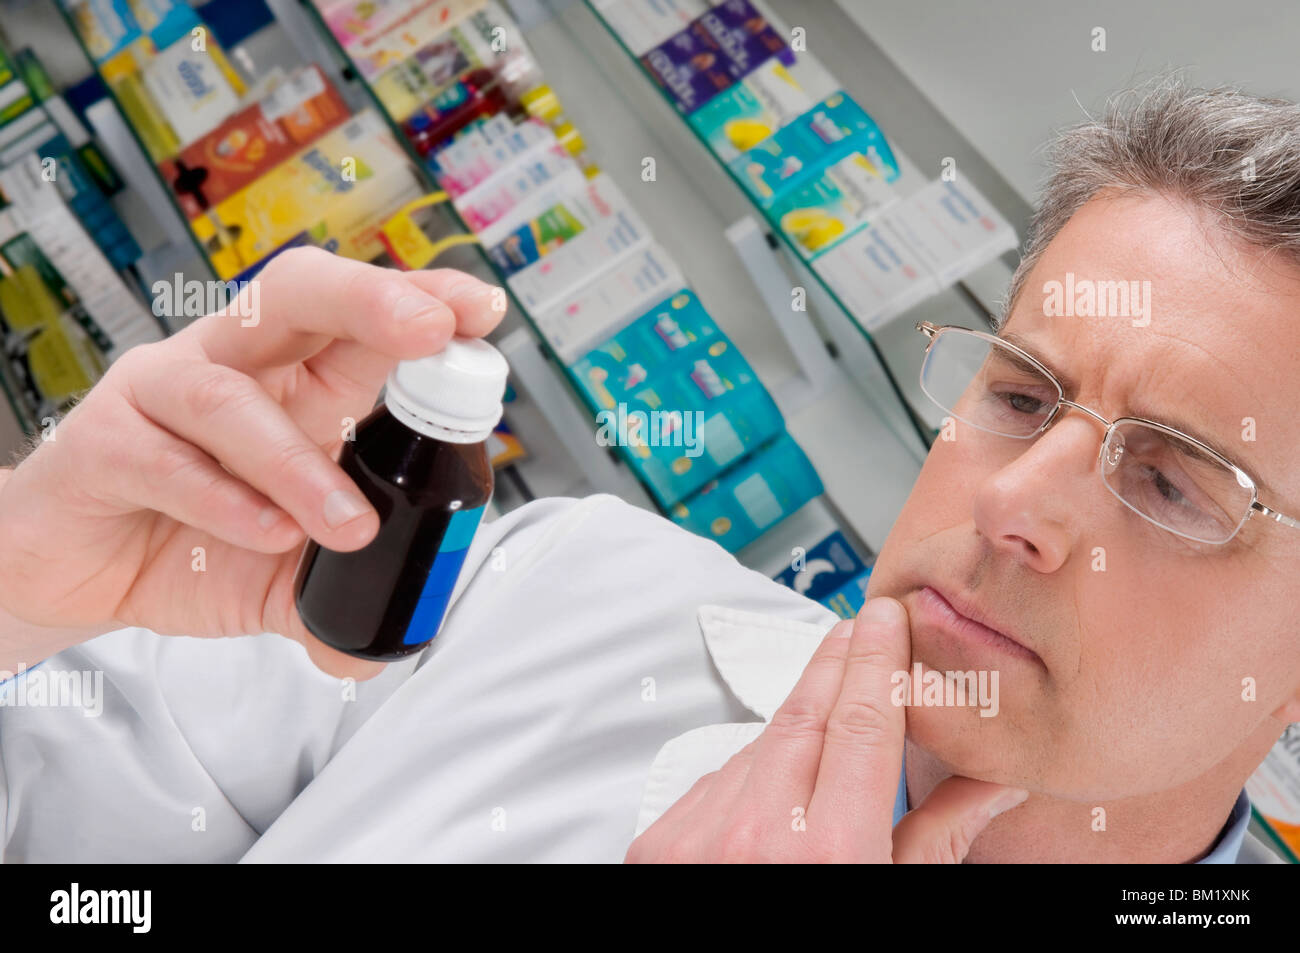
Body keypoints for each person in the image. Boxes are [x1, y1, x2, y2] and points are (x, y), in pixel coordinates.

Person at [0, 76, 1296, 863]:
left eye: (1174, 480)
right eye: (1019, 394)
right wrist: (27, 586)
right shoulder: (557, 582)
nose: (1014, 499)